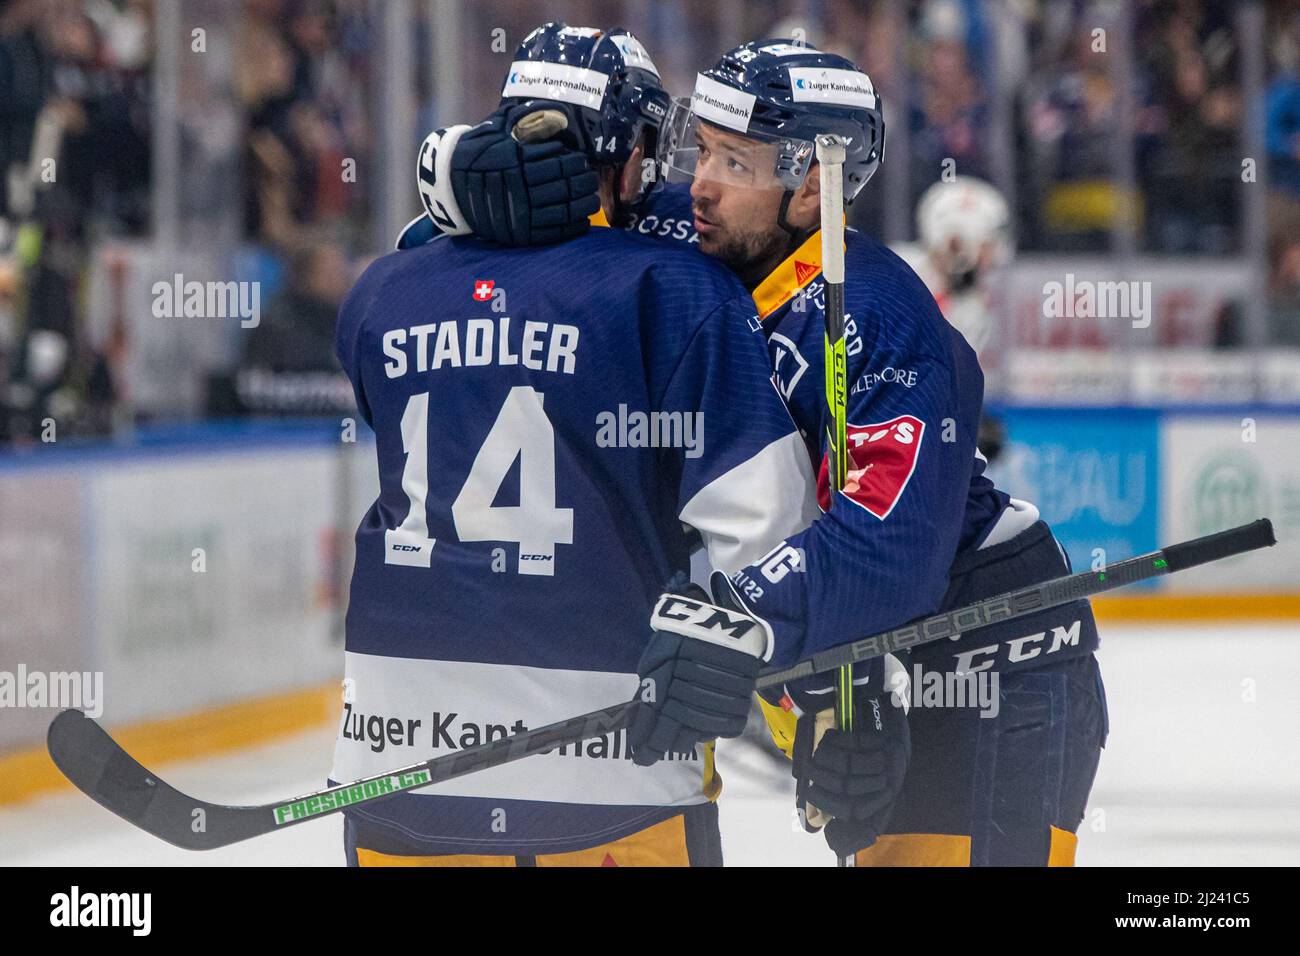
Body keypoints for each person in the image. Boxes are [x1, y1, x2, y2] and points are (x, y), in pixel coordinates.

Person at [410, 38, 1108, 867]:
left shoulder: (885, 323)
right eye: (701, 148)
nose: (698, 182)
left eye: (734, 161)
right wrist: (461, 178)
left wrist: (740, 626)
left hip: (983, 659)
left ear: (812, 184)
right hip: (830, 638)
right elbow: (471, 247)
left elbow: (888, 548)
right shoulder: (688, 230)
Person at [332, 23, 819, 867]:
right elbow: (769, 532)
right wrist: (822, 713)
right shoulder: (673, 290)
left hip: (395, 767)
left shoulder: (381, 291)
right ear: (626, 148)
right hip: (612, 779)